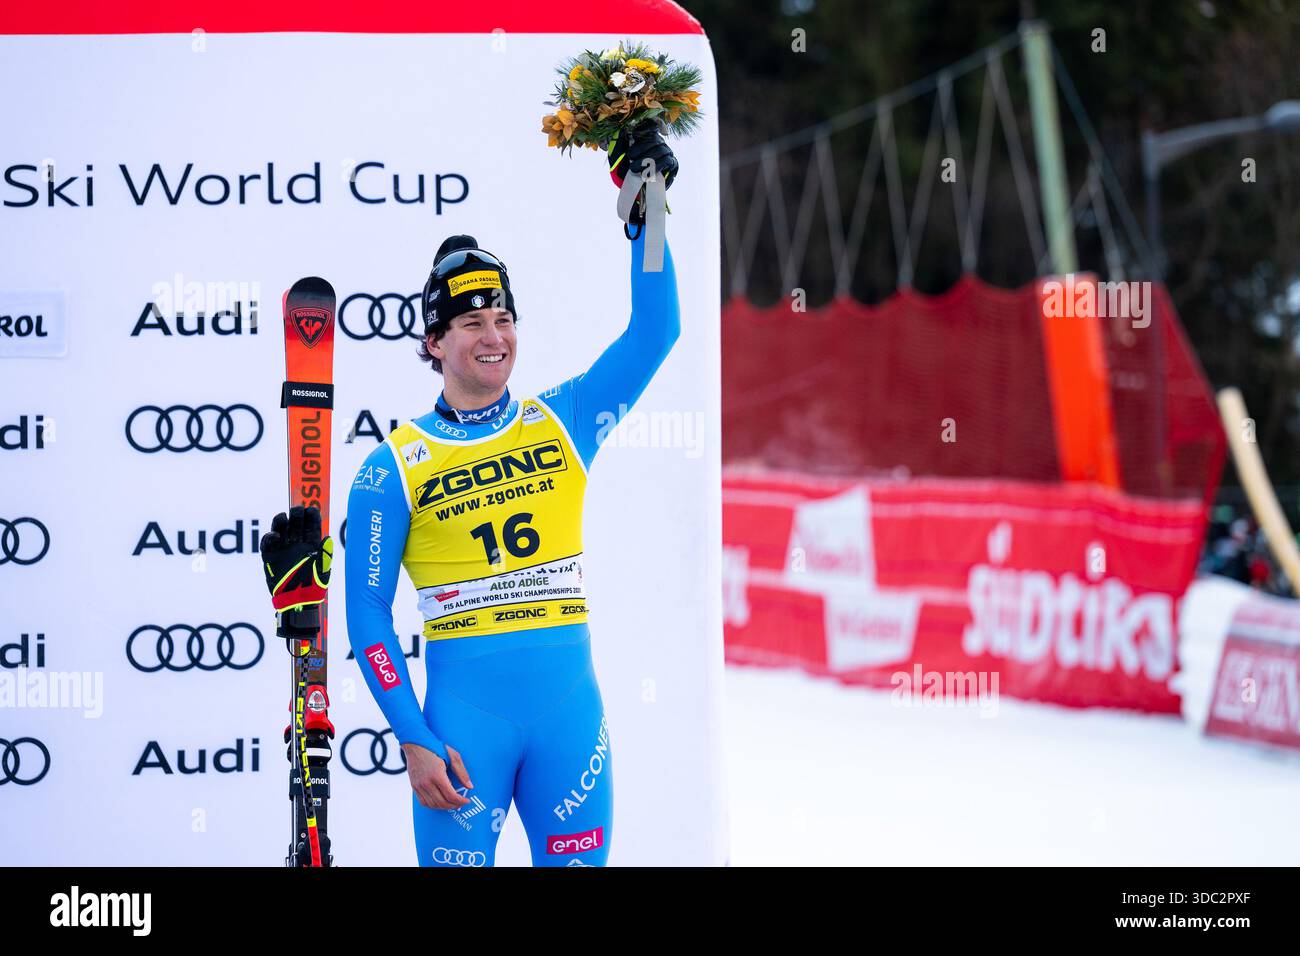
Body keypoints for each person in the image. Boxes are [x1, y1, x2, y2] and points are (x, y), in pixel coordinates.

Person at [341, 124, 680, 866]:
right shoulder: (392, 467)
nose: (492, 337)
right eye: (469, 323)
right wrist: (413, 738)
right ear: (433, 341)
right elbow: (366, 613)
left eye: (502, 319)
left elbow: (656, 331)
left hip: (570, 724)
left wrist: (648, 211)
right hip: (463, 738)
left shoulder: (562, 421)